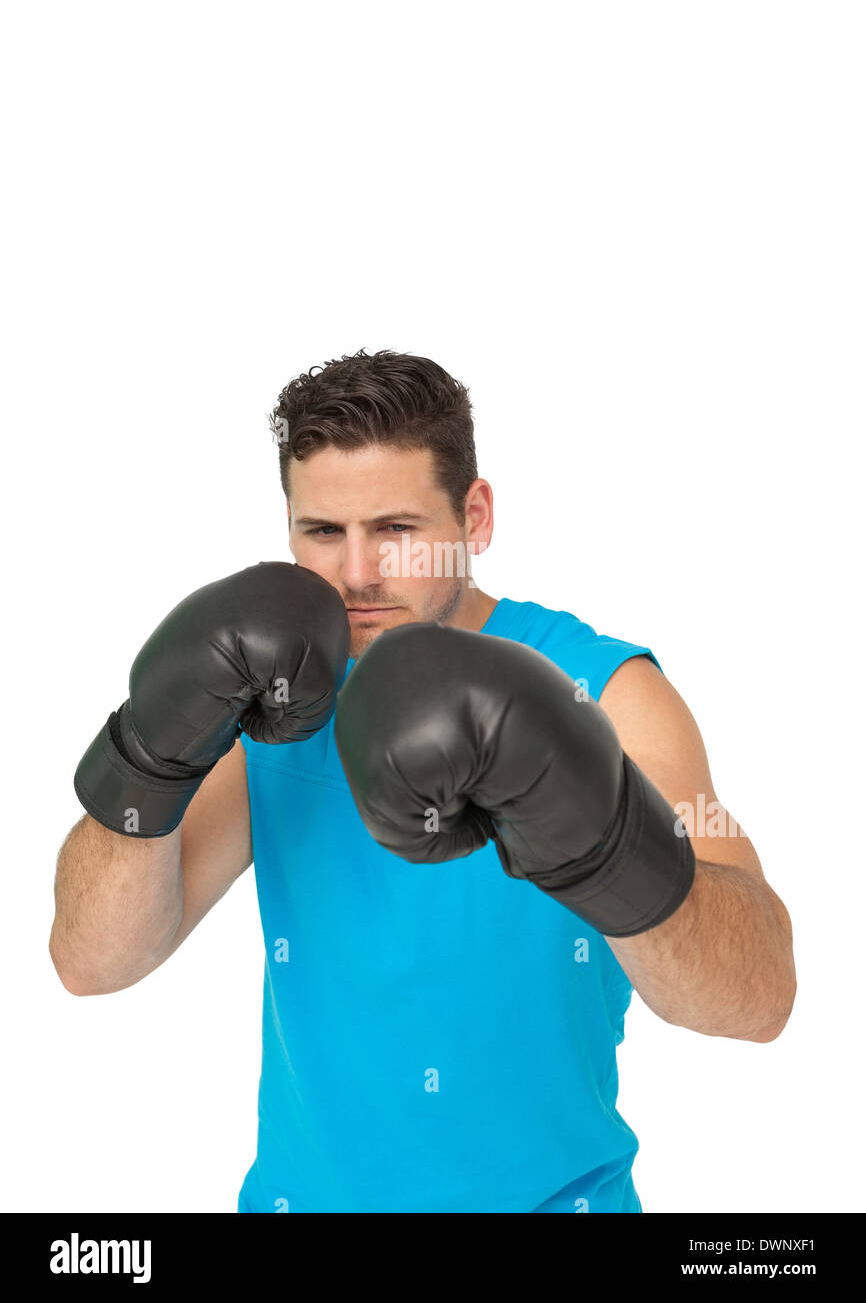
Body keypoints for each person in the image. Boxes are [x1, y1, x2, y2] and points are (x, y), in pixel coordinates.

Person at [51, 347, 796, 1213]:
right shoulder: (270, 702)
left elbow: (760, 999)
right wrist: (152, 745)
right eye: (322, 532)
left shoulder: (604, 690)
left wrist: (599, 841)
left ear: (475, 516)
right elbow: (91, 962)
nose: (358, 573)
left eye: (396, 530)